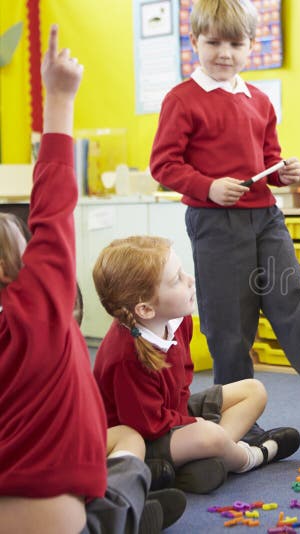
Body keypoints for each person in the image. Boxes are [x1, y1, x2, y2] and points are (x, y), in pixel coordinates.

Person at [148, 0, 300, 429]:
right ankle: (238, 417)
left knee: (294, 298)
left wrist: (285, 173)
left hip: (265, 216)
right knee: (229, 322)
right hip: (216, 221)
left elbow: (269, 159)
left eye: (235, 43)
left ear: (251, 45)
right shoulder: (181, 99)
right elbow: (163, 165)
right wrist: (209, 187)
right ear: (194, 41)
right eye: (213, 42)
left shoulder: (259, 100)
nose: (224, 53)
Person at [0, 25, 183, 534]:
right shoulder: (39, 311)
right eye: (17, 235)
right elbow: (54, 202)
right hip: (64, 521)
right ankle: (126, 511)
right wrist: (58, 99)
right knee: (126, 459)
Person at [92, 236, 300, 494]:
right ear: (145, 309)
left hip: (173, 413)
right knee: (209, 436)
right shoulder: (126, 357)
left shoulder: (179, 320)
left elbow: (184, 378)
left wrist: (191, 419)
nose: (190, 280)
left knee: (254, 390)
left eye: (182, 272)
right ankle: (250, 457)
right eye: (176, 280)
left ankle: (208, 460)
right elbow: (148, 424)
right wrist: (195, 425)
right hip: (147, 435)